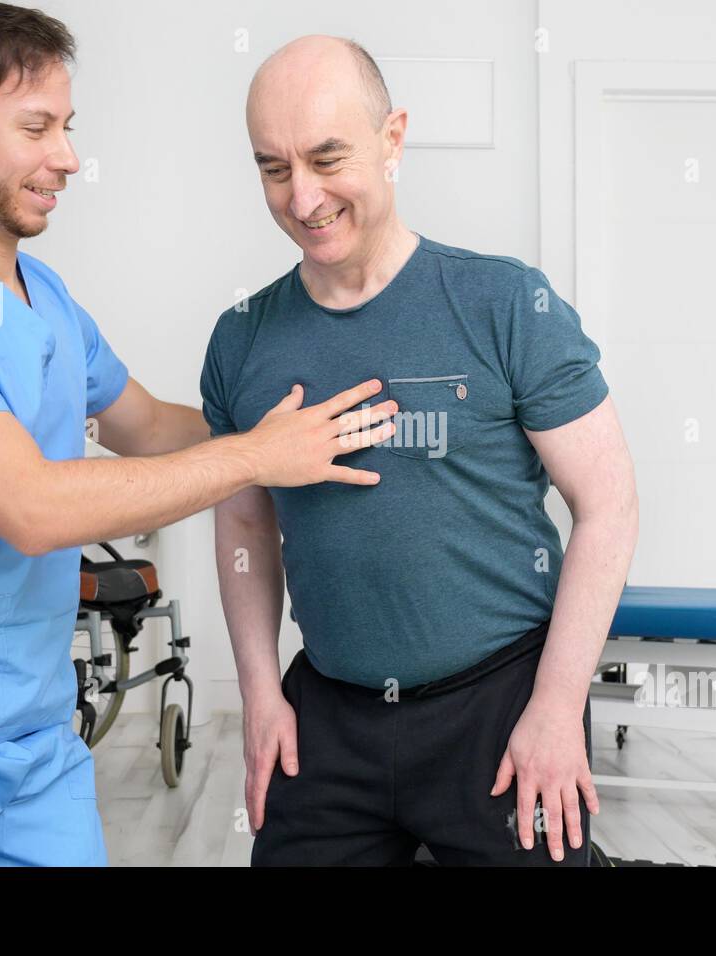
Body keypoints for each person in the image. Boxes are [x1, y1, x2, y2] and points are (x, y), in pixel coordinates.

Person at [0, 1, 395, 867]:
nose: (69, 158)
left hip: (34, 727)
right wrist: (260, 457)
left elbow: (151, 426)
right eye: (36, 127)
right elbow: (32, 507)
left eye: (68, 127)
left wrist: (306, 428)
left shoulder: (48, 299)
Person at [201, 35, 639, 865]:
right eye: (273, 168)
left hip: (500, 703)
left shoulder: (506, 303)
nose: (304, 198)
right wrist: (261, 692)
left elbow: (608, 503)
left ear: (393, 138)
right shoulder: (242, 339)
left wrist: (556, 705)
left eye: (329, 158)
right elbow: (246, 531)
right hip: (329, 714)